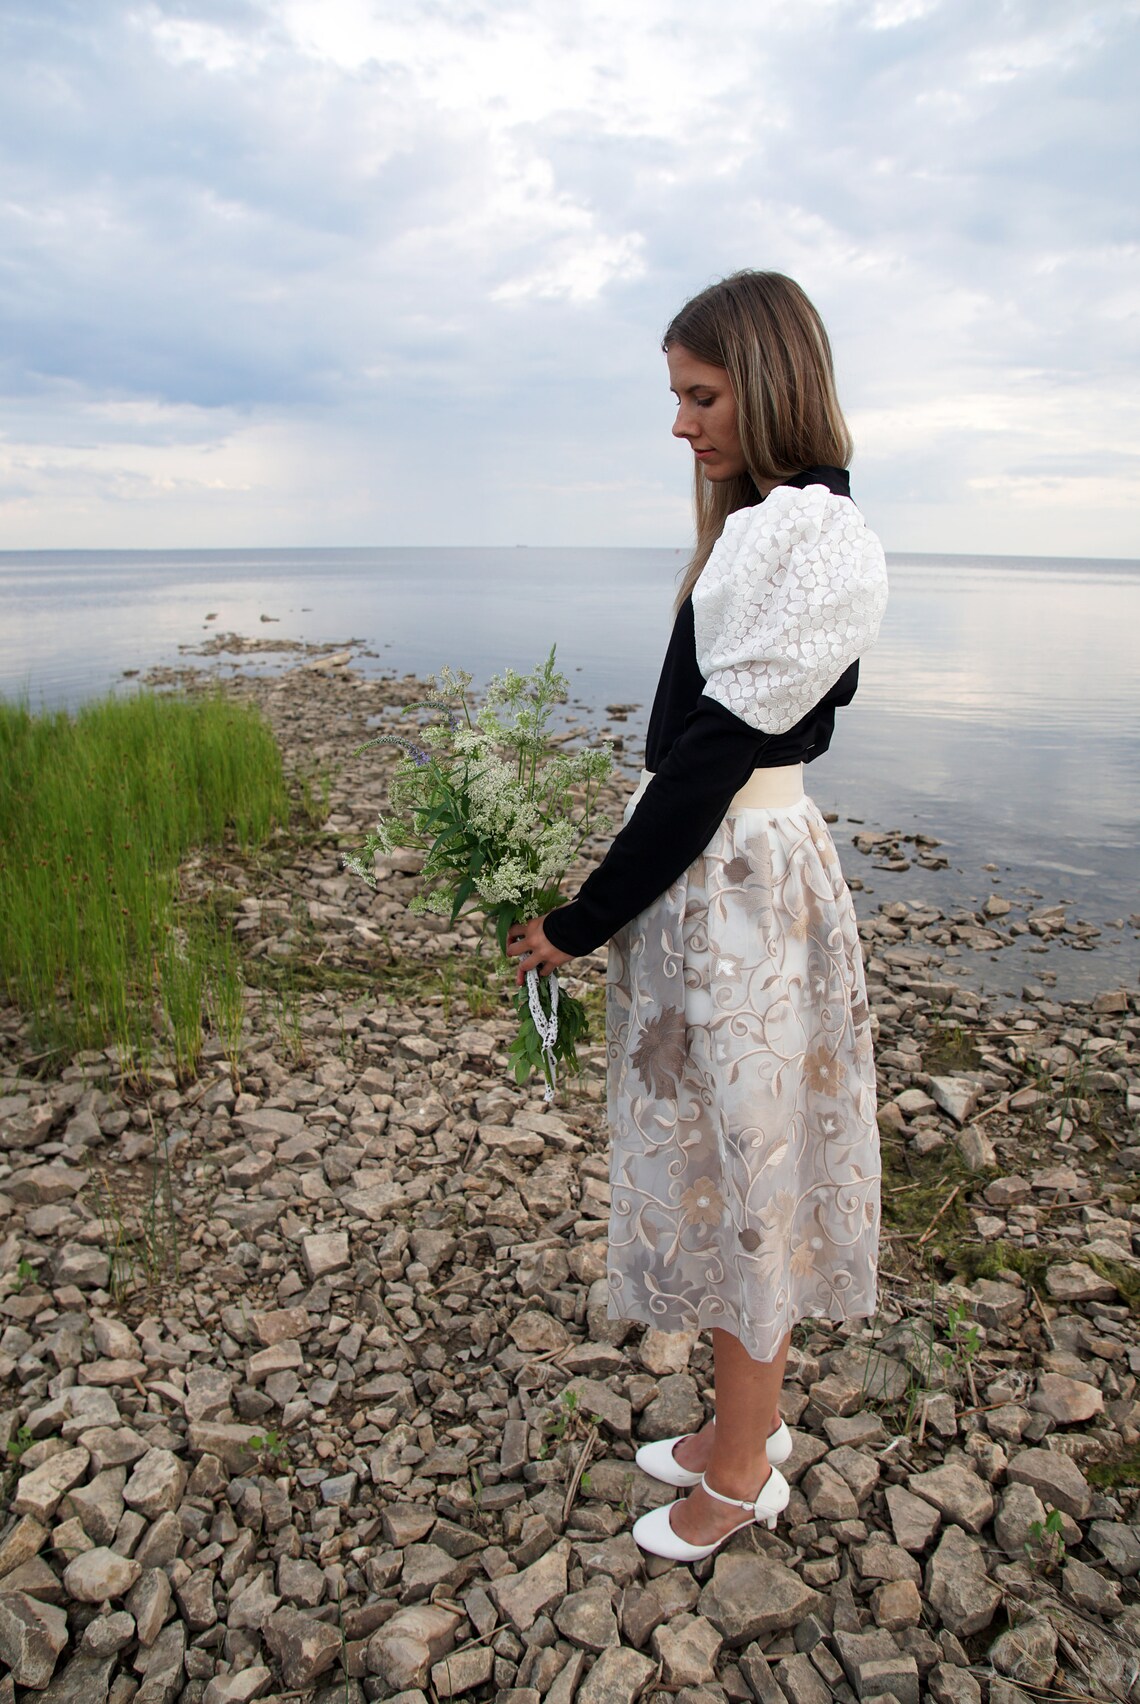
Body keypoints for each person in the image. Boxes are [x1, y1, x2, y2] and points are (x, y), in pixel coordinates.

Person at [506, 270, 888, 1563]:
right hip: (726, 876)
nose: (682, 423)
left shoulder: (814, 534)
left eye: (702, 393)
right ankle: (745, 1423)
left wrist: (586, 915)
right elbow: (696, 740)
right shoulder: (767, 527)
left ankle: (742, 1469)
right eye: (678, 394)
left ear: (775, 382)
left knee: (746, 1170)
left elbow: (710, 755)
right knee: (732, 1155)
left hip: (741, 884)